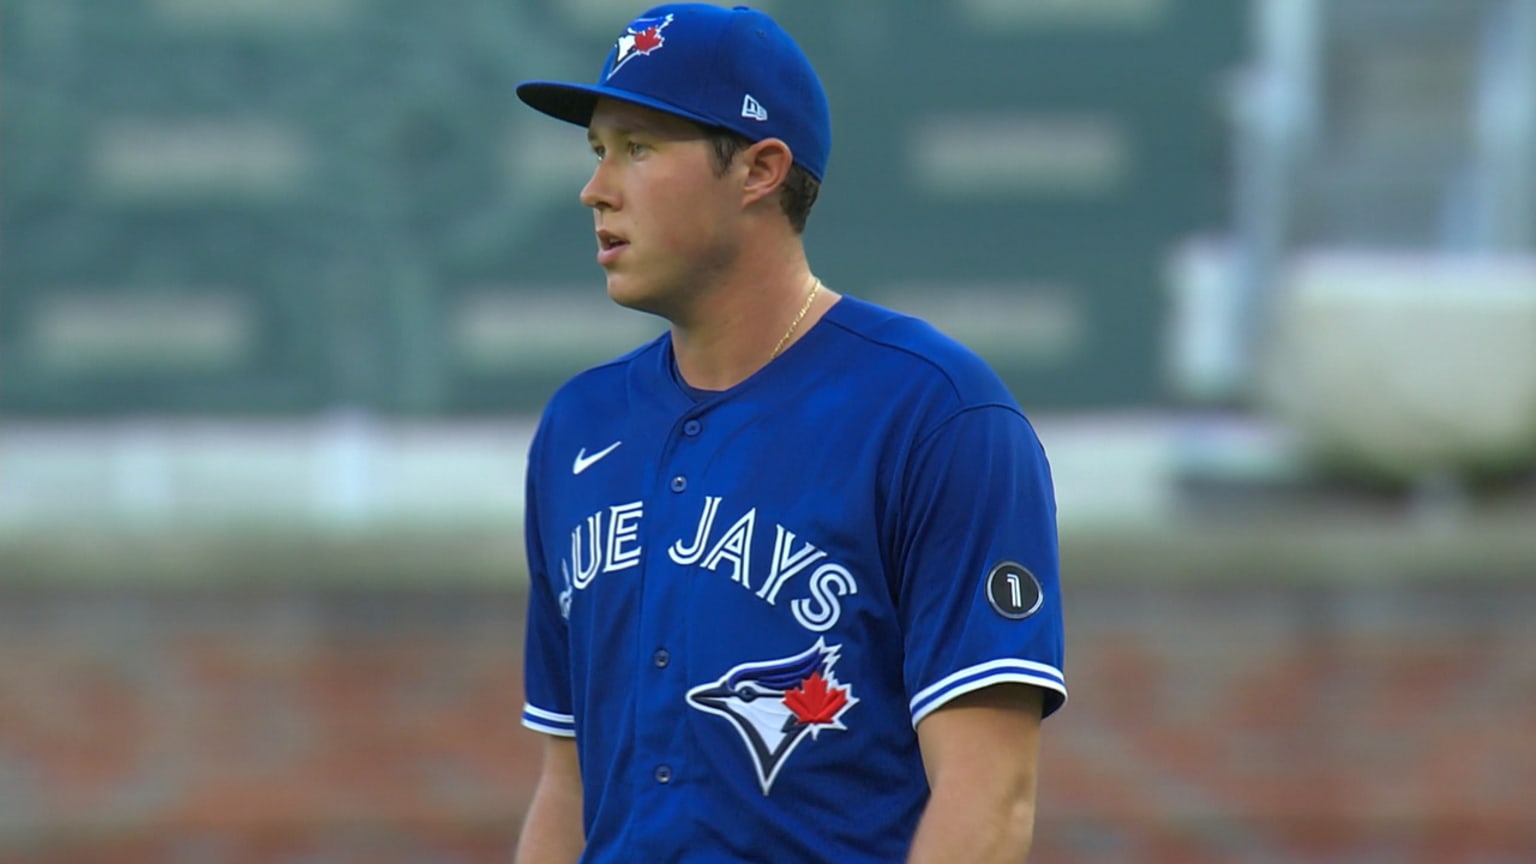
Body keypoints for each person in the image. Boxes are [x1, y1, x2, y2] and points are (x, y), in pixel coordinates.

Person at [512, 5, 1066, 862]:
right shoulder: (577, 428)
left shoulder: (934, 412)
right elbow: (568, 783)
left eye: (640, 148)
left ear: (760, 170)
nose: (597, 189)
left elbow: (990, 798)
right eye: (597, 152)